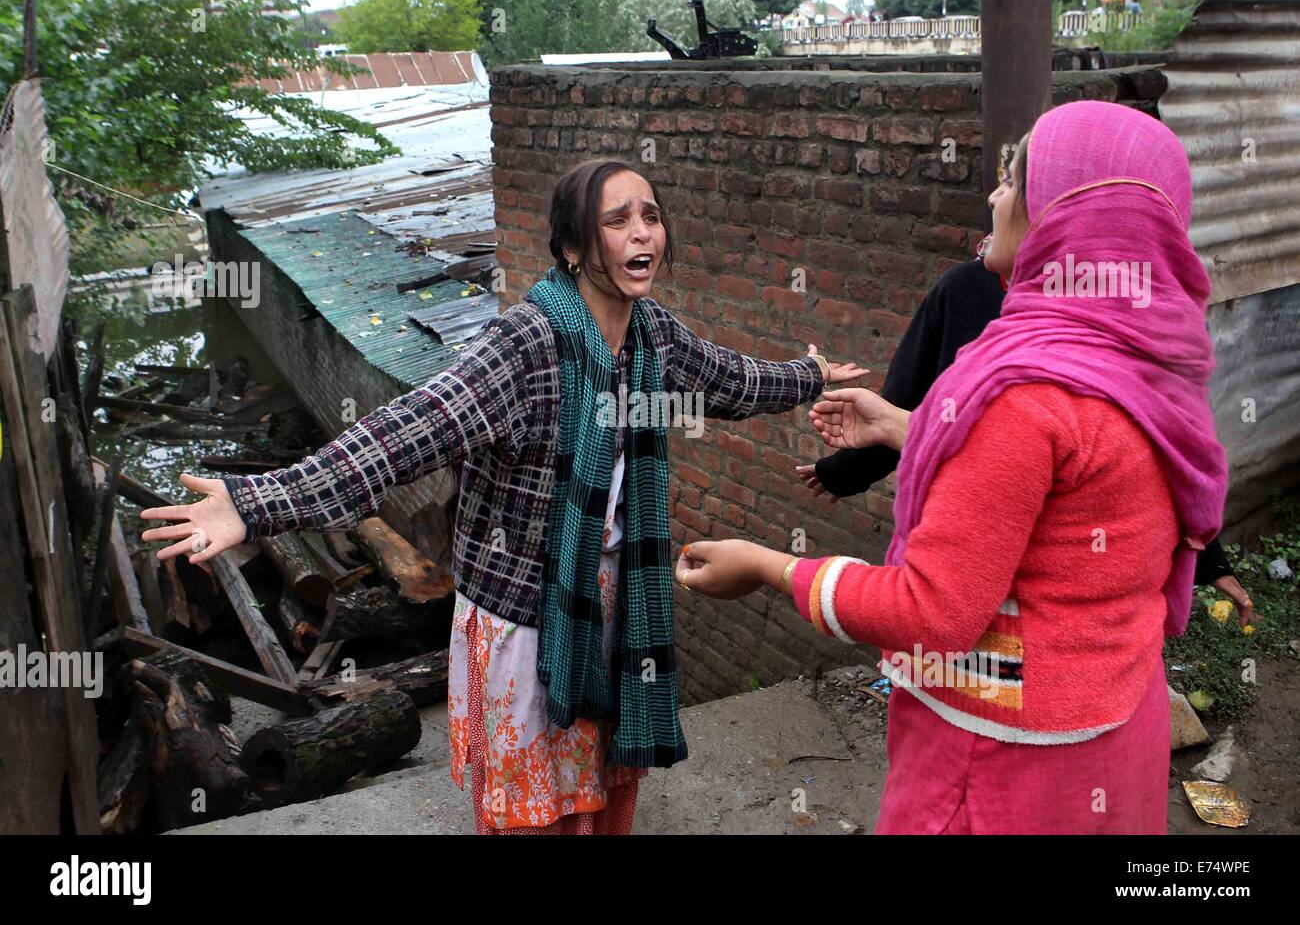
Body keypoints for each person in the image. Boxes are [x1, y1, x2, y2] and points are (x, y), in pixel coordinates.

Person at [139, 157, 866, 835]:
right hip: (526, 615)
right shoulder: (526, 344)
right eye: (617, 220)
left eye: (650, 215)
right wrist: (255, 503)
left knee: (606, 789)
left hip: (615, 600)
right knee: (535, 811)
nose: (643, 232)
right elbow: (402, 435)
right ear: (574, 248)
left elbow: (729, 380)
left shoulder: (652, 339)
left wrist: (810, 377)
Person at [675, 101, 1233, 834]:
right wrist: (913, 429)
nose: (996, 199)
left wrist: (767, 566)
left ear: (1056, 214)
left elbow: (930, 612)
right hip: (1114, 734)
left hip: (1002, 766)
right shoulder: (1148, 358)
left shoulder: (1026, 389)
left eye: (1011, 181)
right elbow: (1064, 495)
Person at [796, 223, 1253, 619]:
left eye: (1014, 186)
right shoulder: (967, 290)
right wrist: (844, 472)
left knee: (990, 660)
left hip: (1050, 571)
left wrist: (1208, 558)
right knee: (969, 659)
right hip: (989, 553)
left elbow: (1162, 447)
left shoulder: (1111, 319)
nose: (995, 196)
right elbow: (905, 405)